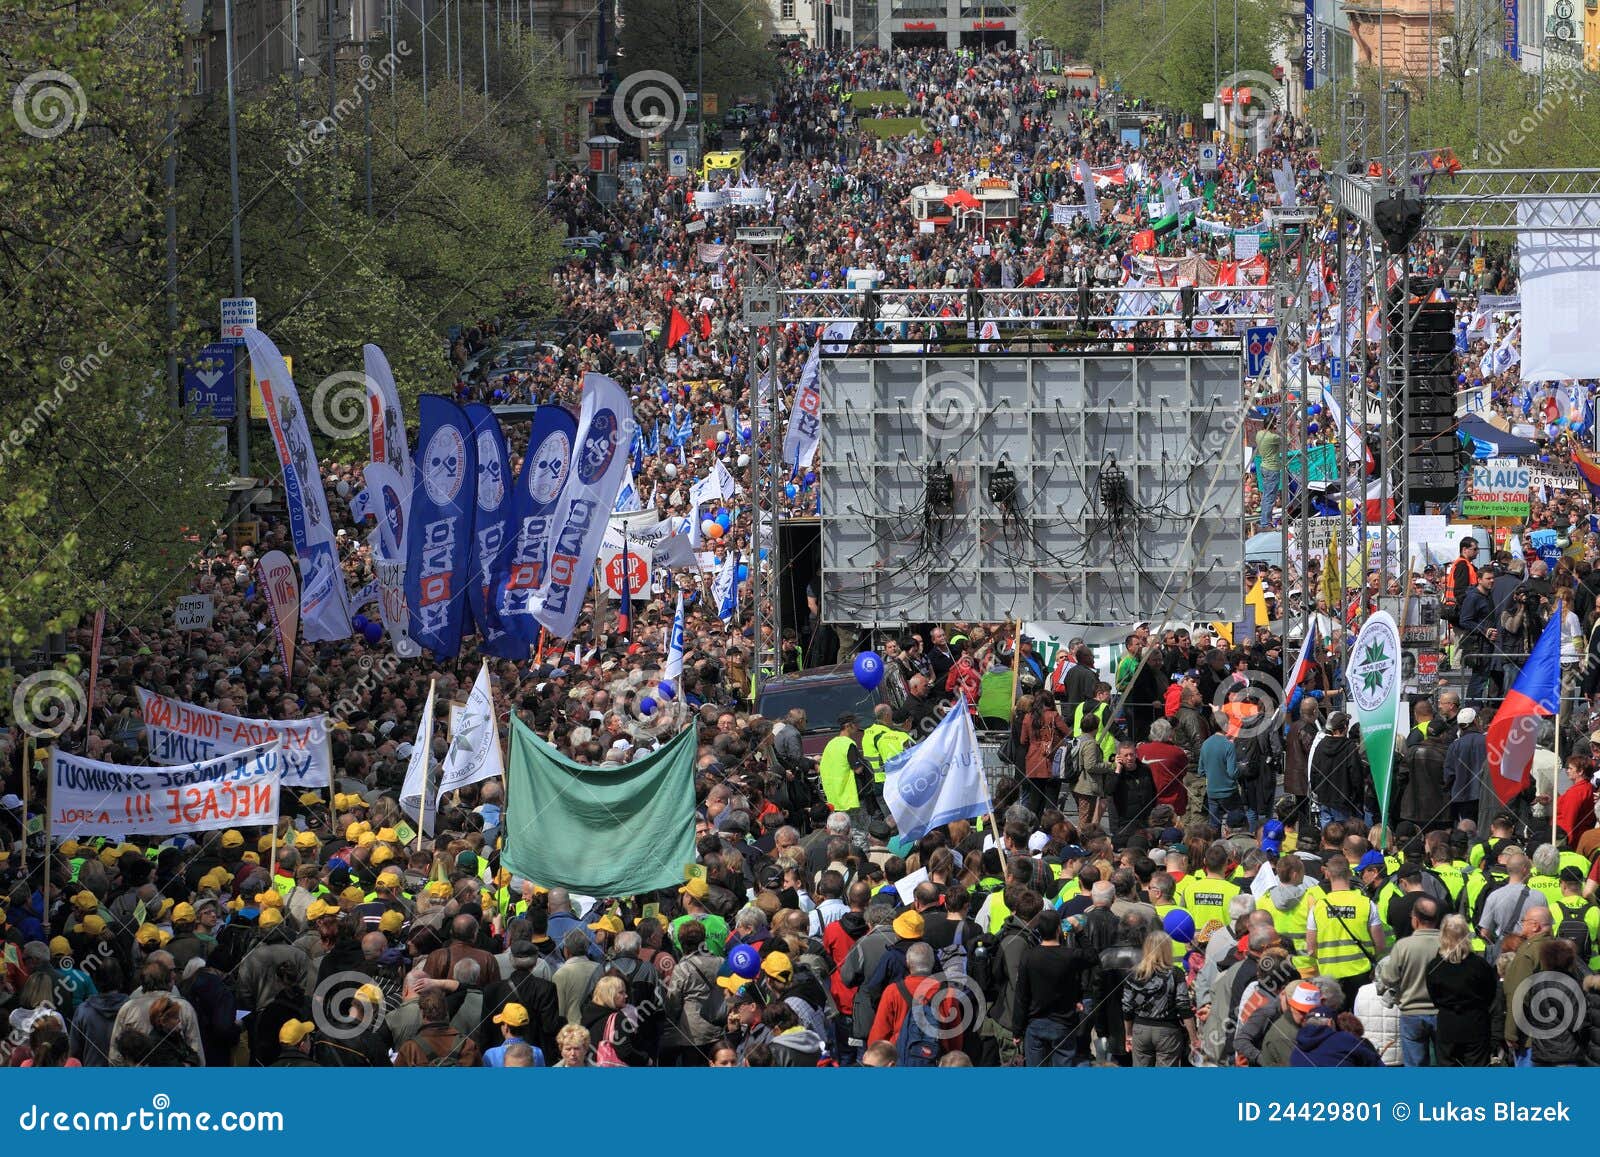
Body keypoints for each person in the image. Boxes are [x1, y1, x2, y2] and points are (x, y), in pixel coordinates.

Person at [1012, 909, 1094, 1067]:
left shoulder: (1029, 956)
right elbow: (1092, 957)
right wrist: (1079, 931)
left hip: (1035, 1023)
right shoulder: (1069, 955)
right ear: (1059, 929)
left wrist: (1017, 1029)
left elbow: (1021, 995)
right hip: (1063, 1024)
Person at [1374, 895, 1442, 1066]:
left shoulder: (1403, 946)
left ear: (1416, 920)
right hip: (1442, 1013)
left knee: (1414, 1065)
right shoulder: (1447, 944)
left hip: (1411, 1012)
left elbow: (1389, 978)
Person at [1424, 914, 1498, 1066]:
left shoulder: (1434, 967)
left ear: (1443, 936)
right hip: (1476, 1024)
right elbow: (1491, 993)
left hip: (1448, 1024)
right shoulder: (1480, 965)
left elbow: (1435, 998)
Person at [1120, 930, 1197, 1066]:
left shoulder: (1133, 973)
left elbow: (1127, 1006)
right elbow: (1183, 1005)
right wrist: (1193, 1038)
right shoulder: (1175, 973)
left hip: (1140, 1028)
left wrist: (1128, 1033)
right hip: (1167, 1030)